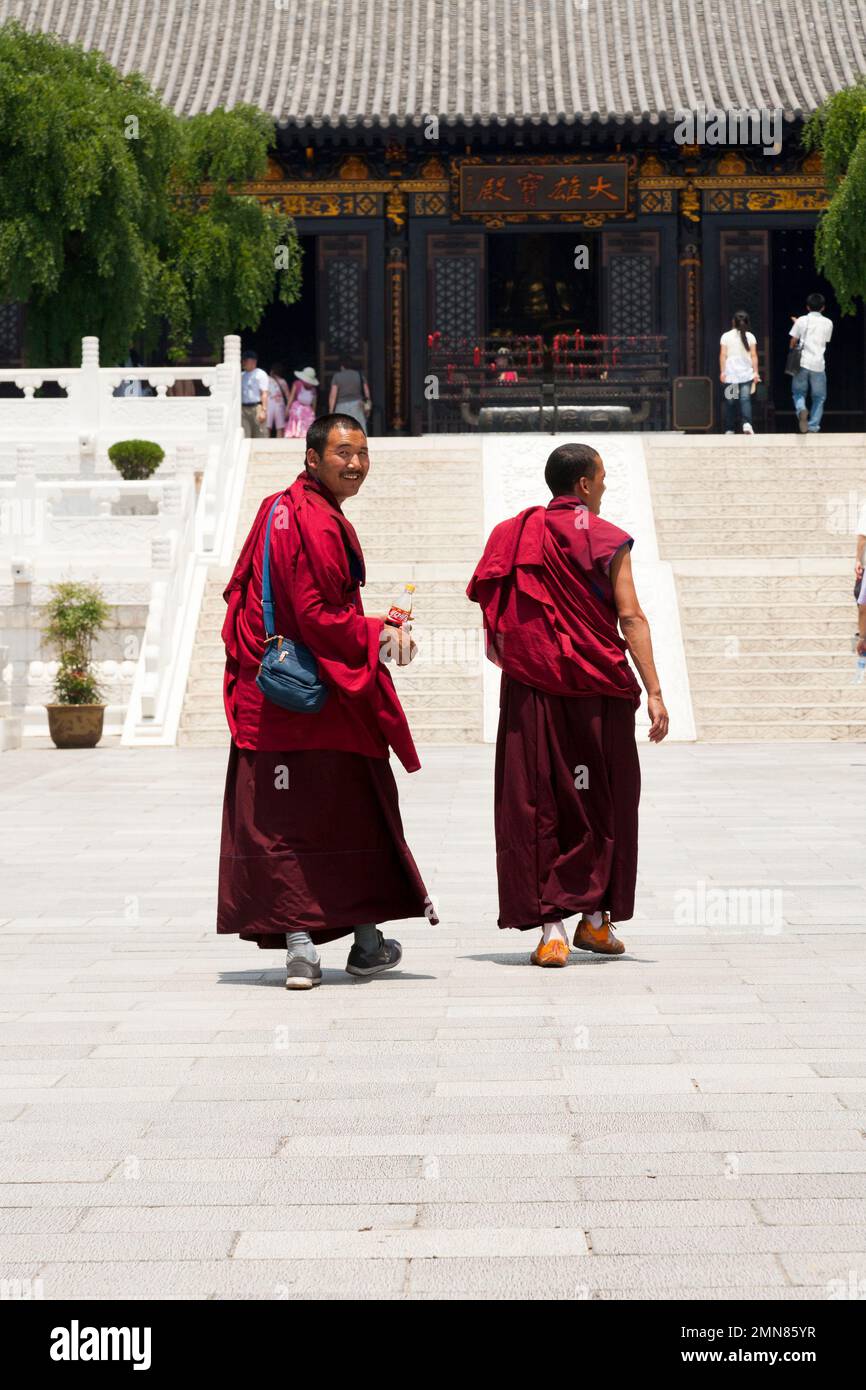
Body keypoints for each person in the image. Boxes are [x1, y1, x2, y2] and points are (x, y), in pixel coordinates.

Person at [217, 413, 438, 989]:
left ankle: (333, 947)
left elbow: (242, 593)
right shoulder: (314, 521)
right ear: (311, 457)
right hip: (320, 701)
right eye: (343, 452)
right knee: (349, 813)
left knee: (285, 821)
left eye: (363, 453)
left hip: (271, 695)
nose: (356, 463)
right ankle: (323, 947)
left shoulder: (276, 508)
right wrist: (380, 634)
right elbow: (317, 617)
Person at [467, 442, 669, 968]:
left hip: (535, 687)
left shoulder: (514, 535)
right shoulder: (607, 539)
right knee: (601, 797)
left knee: (538, 797)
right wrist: (654, 690)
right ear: (583, 485)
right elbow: (632, 618)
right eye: (601, 479)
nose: (603, 488)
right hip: (597, 689)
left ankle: (552, 931)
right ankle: (595, 922)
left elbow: (499, 610)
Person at [790, 292, 834, 433]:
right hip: (818, 364)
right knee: (819, 397)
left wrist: (792, 349)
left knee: (798, 392)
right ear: (823, 308)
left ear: (808, 307)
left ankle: (802, 409)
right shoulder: (828, 322)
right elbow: (826, 340)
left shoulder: (801, 321)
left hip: (802, 362)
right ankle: (813, 426)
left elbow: (793, 340)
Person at [719, 310, 760, 435]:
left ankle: (729, 428)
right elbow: (754, 355)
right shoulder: (751, 336)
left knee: (730, 401)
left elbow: (723, 355)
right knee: (745, 399)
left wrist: (722, 372)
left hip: (731, 374)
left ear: (733, 322)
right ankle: (747, 424)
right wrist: (756, 372)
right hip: (746, 373)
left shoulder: (726, 336)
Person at [328, 359, 371, 432]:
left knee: (342, 430)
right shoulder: (359, 375)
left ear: (342, 366)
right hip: (357, 405)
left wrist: (331, 410)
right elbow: (366, 391)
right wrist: (368, 406)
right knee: (358, 428)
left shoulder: (337, 376)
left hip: (341, 406)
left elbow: (333, 395)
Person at [240, 349, 268, 438]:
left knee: (260, 433)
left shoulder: (260, 374)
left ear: (253, 361)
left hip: (256, 407)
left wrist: (264, 410)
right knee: (245, 434)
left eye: (245, 361)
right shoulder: (241, 375)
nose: (243, 363)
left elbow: (264, 393)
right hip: (243, 408)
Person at [284, 366, 319, 438]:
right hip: (297, 408)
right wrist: (287, 408)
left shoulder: (313, 390)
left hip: (307, 411)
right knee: (297, 413)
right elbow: (291, 397)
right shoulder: (297, 384)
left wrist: (313, 413)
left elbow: (314, 403)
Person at [266, 362, 290, 436]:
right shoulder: (283, 381)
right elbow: (288, 396)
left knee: (267, 426)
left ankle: (266, 442)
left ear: (272, 371)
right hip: (280, 405)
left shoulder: (266, 379)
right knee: (280, 427)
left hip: (269, 404)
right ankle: (279, 443)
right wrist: (288, 408)